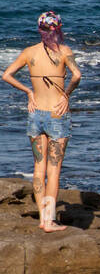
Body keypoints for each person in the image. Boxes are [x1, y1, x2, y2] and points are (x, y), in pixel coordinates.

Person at [2, 12, 81, 232]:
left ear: (40, 29)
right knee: (53, 171)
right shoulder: (64, 51)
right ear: (58, 29)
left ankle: (42, 219)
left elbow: (7, 75)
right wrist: (66, 95)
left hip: (35, 114)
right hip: (57, 114)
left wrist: (28, 91)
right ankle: (49, 220)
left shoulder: (29, 52)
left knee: (39, 168)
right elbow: (77, 75)